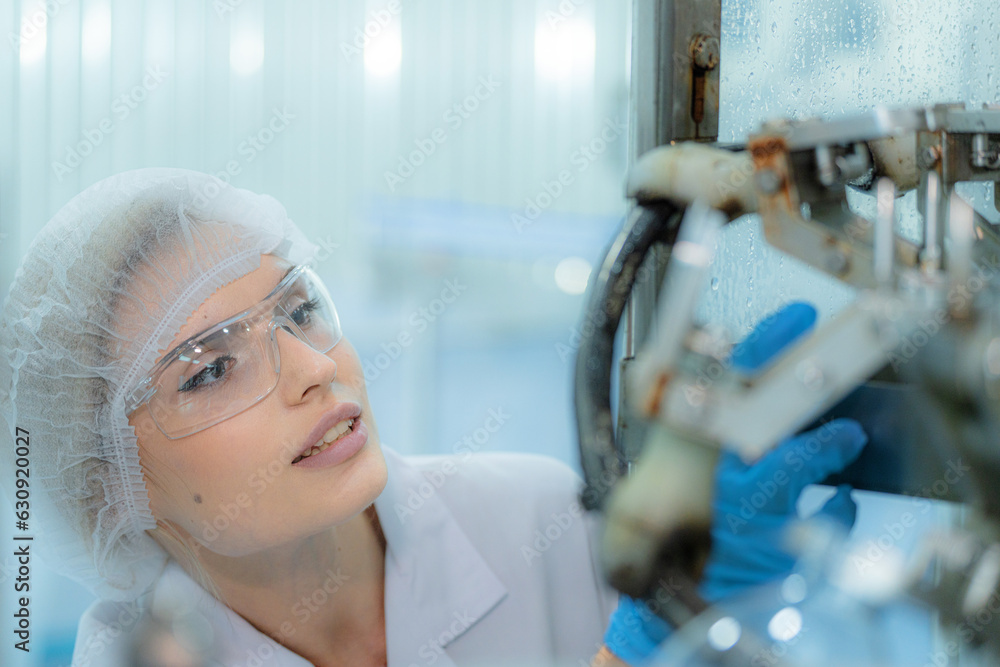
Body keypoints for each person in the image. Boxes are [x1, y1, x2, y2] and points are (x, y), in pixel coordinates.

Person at [0, 168, 867, 667]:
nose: (313, 369)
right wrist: (644, 637)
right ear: (111, 482)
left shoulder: (538, 518)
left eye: (298, 310)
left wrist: (739, 611)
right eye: (214, 368)